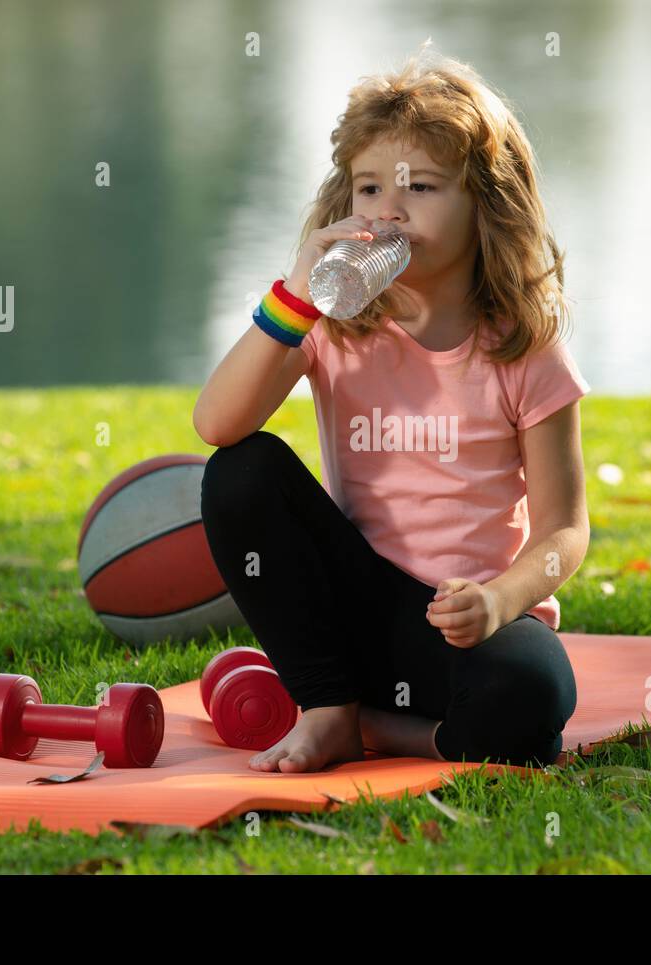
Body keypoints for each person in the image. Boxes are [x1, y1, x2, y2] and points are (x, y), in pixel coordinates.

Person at [193, 46, 590, 774]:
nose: (387, 211)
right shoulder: (337, 327)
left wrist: (501, 601)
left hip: (465, 629)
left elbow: (566, 527)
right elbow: (217, 424)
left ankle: (378, 729)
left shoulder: (525, 352)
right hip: (354, 615)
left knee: (535, 690)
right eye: (369, 188)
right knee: (240, 470)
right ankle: (326, 707)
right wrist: (296, 296)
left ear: (488, 206)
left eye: (421, 188)